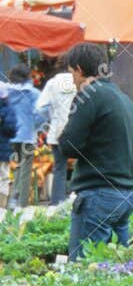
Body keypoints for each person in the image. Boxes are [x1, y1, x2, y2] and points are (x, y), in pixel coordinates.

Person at [57, 43, 133, 259]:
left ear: (79, 69)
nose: (72, 79)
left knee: (85, 273)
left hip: (98, 194)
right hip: (125, 194)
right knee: (117, 271)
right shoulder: (124, 98)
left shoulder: (89, 95)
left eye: (71, 72)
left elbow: (68, 144)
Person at [35, 58, 78, 205]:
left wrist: (51, 117)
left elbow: (40, 107)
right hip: (76, 130)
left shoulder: (52, 83)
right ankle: (76, 200)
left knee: (60, 169)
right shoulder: (78, 82)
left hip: (56, 133)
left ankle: (56, 204)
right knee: (80, 166)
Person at [2, 66, 40, 209]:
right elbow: (40, 113)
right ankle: (21, 205)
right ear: (28, 76)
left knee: (11, 170)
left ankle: (9, 202)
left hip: (10, 136)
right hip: (27, 136)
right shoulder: (33, 93)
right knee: (24, 171)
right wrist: (35, 126)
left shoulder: (5, 92)